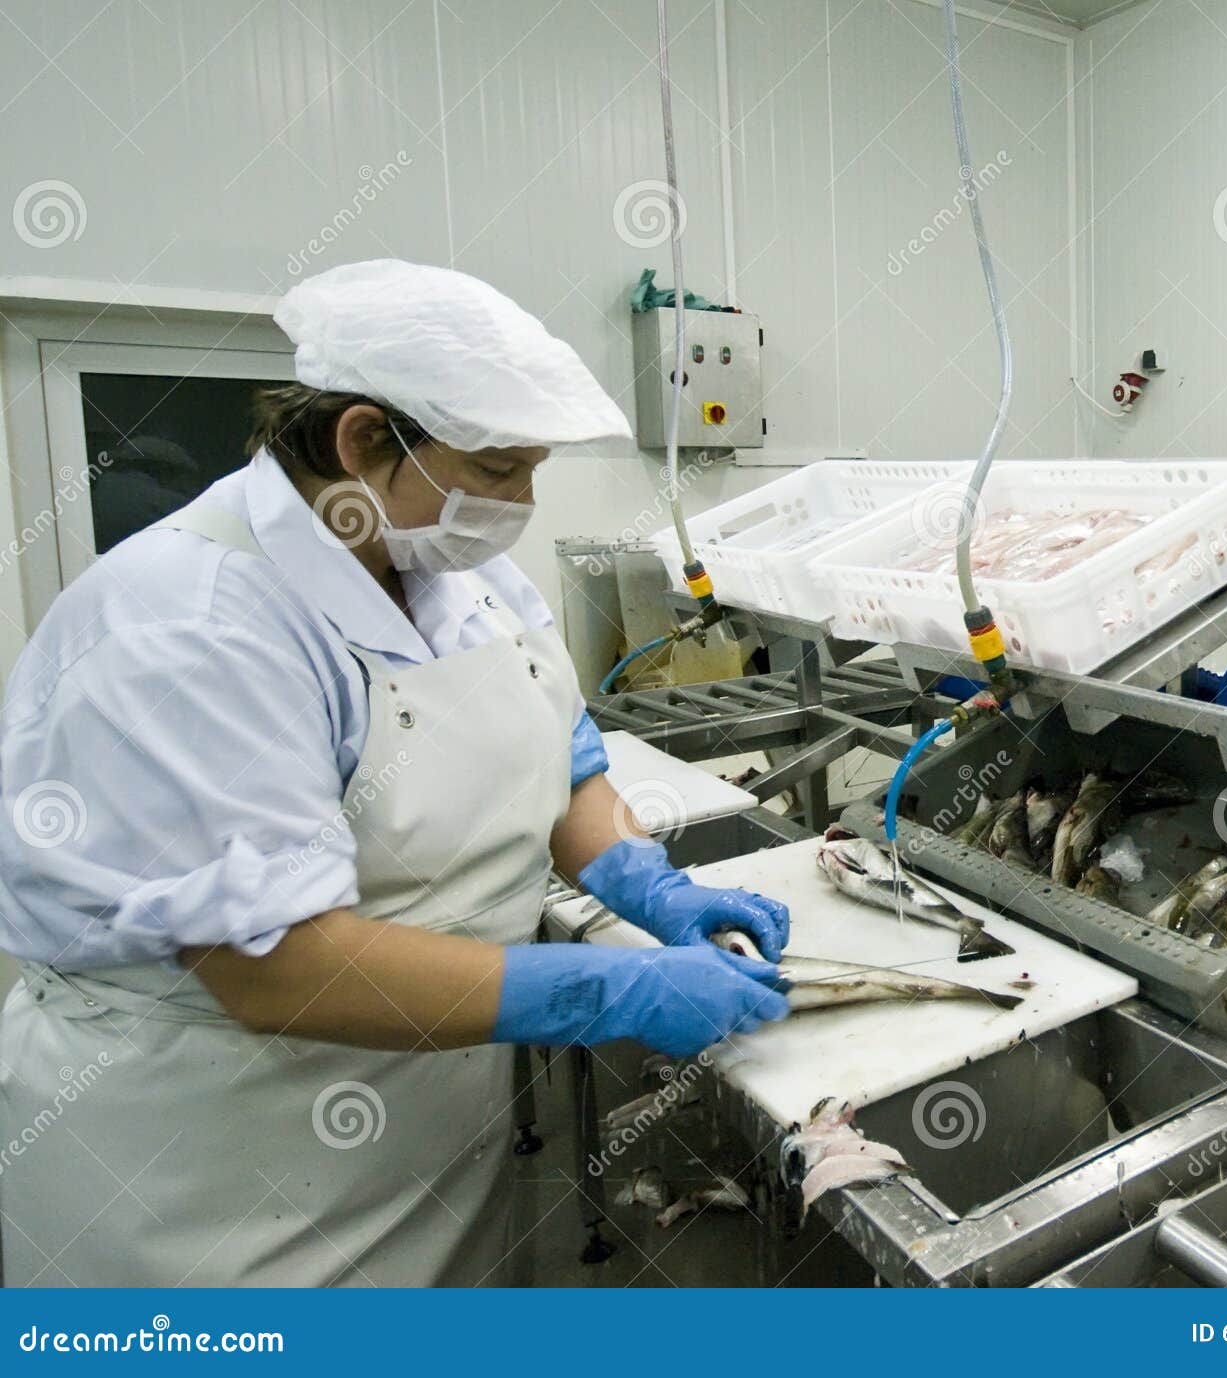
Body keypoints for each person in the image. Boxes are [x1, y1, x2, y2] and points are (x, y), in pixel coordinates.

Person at [0, 259, 791, 1288]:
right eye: (502, 469)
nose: (521, 501)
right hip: (213, 1169)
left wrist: (650, 884)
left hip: (417, 1123)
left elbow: (561, 758)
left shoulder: (453, 567)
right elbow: (275, 965)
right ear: (364, 438)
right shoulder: (189, 624)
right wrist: (608, 985)